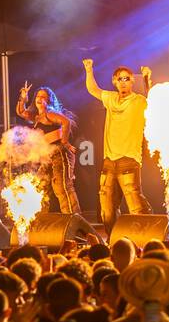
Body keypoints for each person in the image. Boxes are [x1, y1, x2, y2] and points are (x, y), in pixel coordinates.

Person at [83, 58, 153, 231]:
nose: (123, 82)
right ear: (114, 82)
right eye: (119, 79)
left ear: (132, 81)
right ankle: (114, 242)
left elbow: (152, 100)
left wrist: (147, 80)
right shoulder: (111, 98)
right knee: (107, 210)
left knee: (136, 208)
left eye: (126, 78)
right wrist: (89, 69)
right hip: (109, 161)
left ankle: (145, 237)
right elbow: (93, 89)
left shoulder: (139, 101)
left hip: (128, 160)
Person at [16, 83, 81, 215]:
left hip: (59, 154)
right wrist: (23, 98)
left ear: (49, 100)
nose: (40, 99)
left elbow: (66, 122)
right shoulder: (36, 117)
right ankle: (42, 223)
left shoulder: (49, 114)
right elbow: (21, 112)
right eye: (38, 96)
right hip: (46, 157)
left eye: (44, 97)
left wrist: (64, 141)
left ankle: (73, 220)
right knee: (41, 187)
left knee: (62, 187)